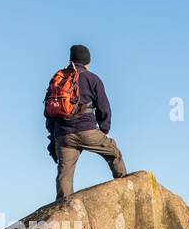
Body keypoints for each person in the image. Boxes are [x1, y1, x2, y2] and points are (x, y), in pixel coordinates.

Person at [44, 44, 128, 200]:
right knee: (113, 152)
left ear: (71, 59)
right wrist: (103, 130)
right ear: (87, 61)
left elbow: (48, 111)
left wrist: (54, 137)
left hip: (63, 136)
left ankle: (63, 207)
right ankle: (126, 187)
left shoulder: (58, 79)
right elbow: (104, 108)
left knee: (65, 174)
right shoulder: (92, 78)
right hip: (87, 130)